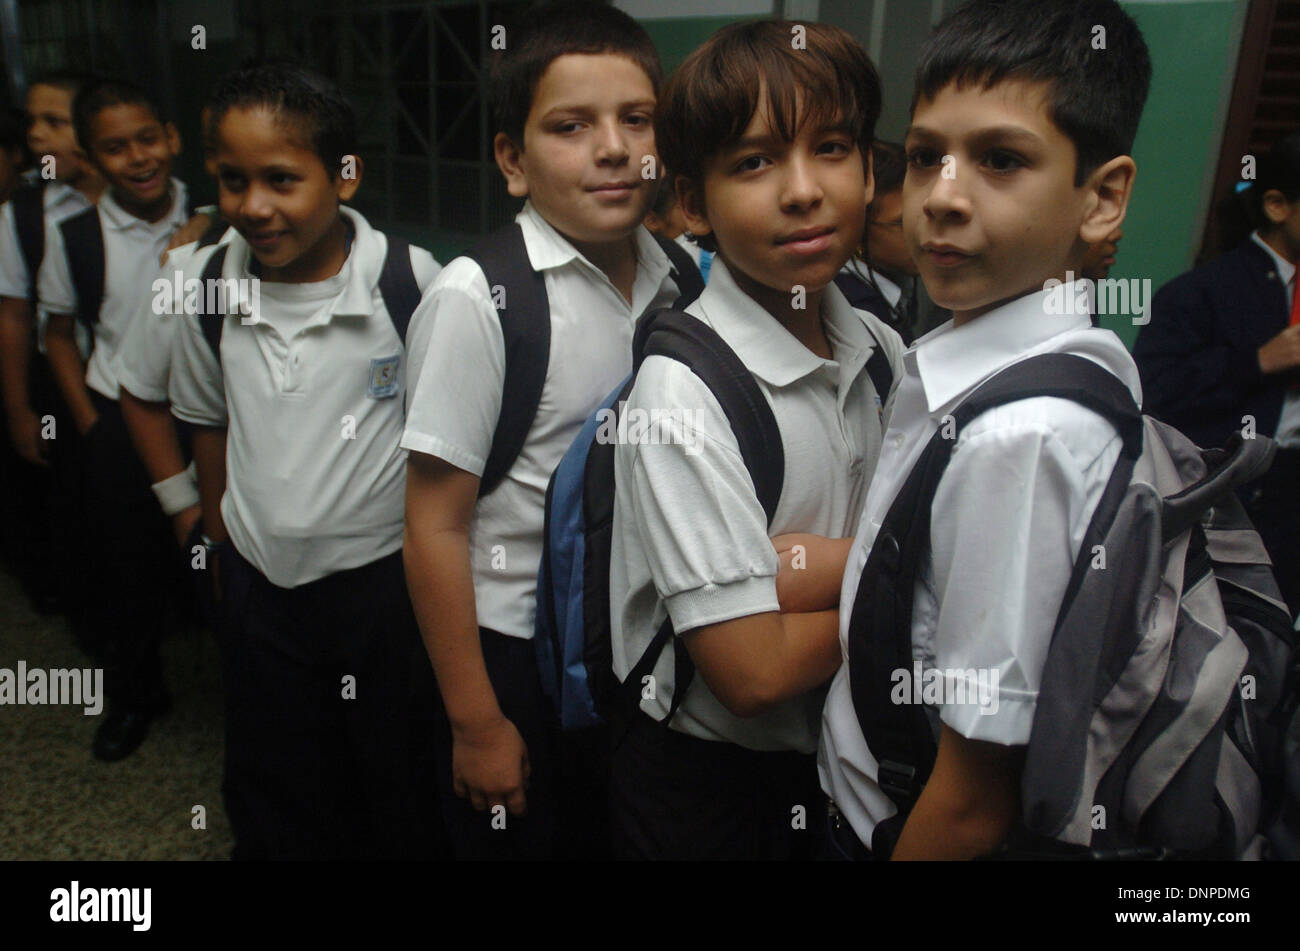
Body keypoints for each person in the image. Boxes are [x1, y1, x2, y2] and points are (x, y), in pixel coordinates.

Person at [819, 0, 1150, 859]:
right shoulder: (1029, 358)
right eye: (927, 157)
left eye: (1001, 160)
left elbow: (972, 799)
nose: (941, 198)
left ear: (1103, 198)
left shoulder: (1021, 433)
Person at [608, 19, 902, 860]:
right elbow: (752, 670)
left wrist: (804, 567)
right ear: (693, 204)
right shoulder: (682, 393)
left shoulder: (880, 350)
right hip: (706, 779)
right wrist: (916, 582)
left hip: (839, 749)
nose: (803, 189)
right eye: (754, 161)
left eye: (834, 147)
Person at [401, 0, 687, 859]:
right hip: (510, 649)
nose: (611, 147)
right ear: (513, 161)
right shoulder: (477, 297)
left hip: (625, 642)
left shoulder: (679, 280)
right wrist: (477, 719)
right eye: (570, 126)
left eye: (635, 120)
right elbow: (432, 524)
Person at [165, 63, 443, 860]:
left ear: (345, 177)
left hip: (381, 585)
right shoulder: (210, 283)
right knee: (273, 766)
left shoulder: (410, 283)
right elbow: (205, 418)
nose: (254, 205)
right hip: (257, 581)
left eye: (282, 179)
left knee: (390, 761)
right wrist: (214, 534)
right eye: (232, 179)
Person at [38, 78, 198, 761]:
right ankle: (135, 697)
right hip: (116, 417)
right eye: (114, 148)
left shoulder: (218, 210)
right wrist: (89, 423)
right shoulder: (73, 233)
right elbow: (58, 333)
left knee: (212, 554)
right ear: (92, 159)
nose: (136, 157)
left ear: (172, 137)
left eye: (146, 139)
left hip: (201, 416)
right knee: (125, 569)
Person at [1134, 132, 1300, 615]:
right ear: (1276, 206)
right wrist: (1258, 362)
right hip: (1238, 501)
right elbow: (1153, 394)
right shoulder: (1202, 290)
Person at [834, 140, 926, 344]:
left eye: (924, 215)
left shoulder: (899, 286)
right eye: (901, 223)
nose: (922, 232)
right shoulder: (854, 309)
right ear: (856, 232)